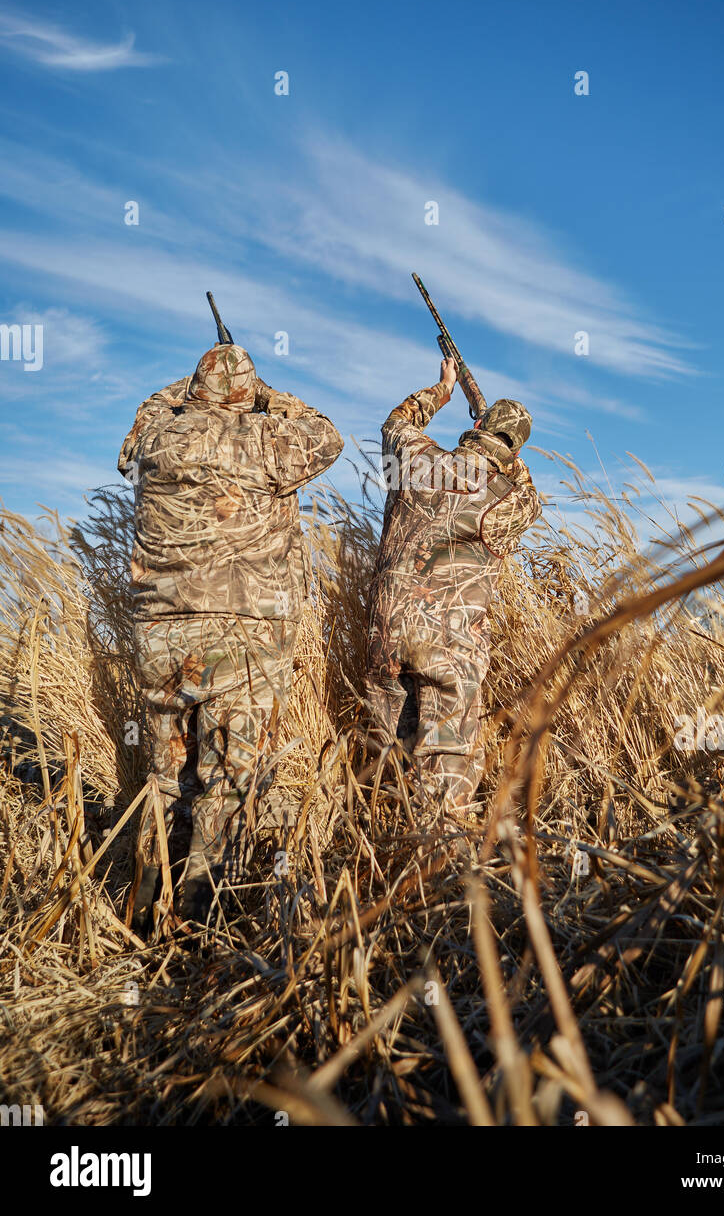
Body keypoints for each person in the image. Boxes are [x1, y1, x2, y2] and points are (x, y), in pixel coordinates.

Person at [118, 341, 343, 924]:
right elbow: (327, 435)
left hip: (159, 634)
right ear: (247, 394)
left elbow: (151, 408)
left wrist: (189, 392)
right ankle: (200, 927)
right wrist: (267, 393)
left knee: (165, 776)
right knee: (230, 779)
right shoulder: (267, 440)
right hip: (245, 639)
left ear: (190, 392)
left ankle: (143, 914)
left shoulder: (153, 439)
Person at [365, 357, 541, 818]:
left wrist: (443, 390)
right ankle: (442, 885)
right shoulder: (506, 495)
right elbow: (531, 499)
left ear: (477, 426)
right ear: (512, 449)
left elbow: (395, 423)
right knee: (445, 798)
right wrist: (509, 457)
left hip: (387, 643)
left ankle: (382, 874)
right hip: (449, 652)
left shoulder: (416, 461)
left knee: (391, 782)